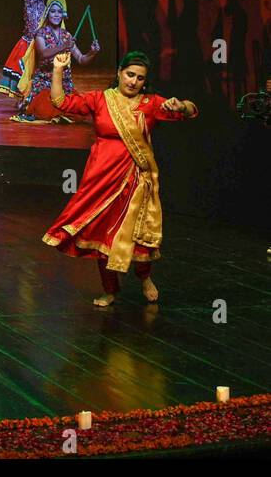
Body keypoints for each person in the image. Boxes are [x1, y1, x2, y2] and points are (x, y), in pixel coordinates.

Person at [43, 51, 198, 306]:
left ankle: (144, 277)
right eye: (129, 75)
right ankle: (110, 289)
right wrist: (58, 70)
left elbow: (190, 110)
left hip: (136, 177)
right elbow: (60, 102)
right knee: (103, 235)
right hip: (101, 178)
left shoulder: (150, 103)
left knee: (138, 233)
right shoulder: (100, 99)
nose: (133, 81)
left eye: (139, 78)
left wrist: (180, 105)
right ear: (119, 73)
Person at [13, 0, 101, 121]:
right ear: (48, 14)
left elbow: (81, 59)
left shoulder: (67, 35)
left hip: (63, 82)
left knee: (76, 107)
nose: (56, 14)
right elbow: (43, 53)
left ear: (62, 15)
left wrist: (92, 52)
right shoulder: (40, 33)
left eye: (59, 12)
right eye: (53, 11)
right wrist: (64, 46)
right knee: (45, 107)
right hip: (45, 81)